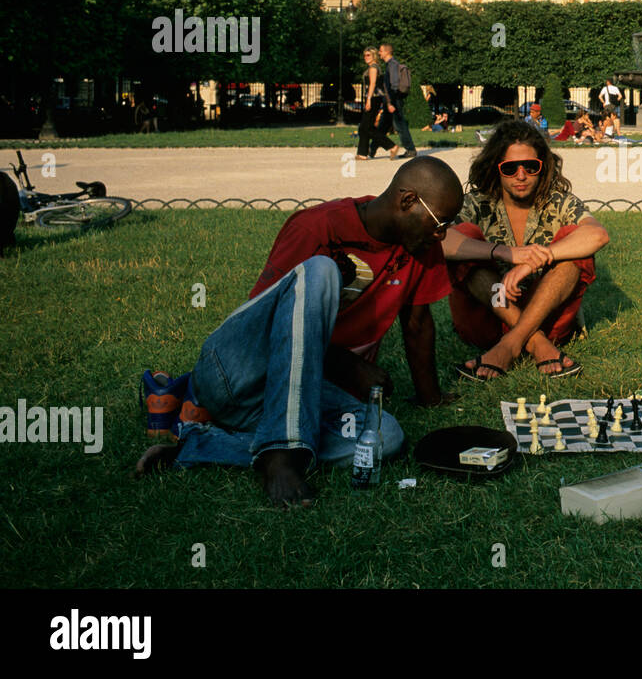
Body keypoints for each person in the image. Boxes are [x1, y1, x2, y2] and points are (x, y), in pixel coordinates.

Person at [136, 158, 512, 507]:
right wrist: (348, 367)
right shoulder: (318, 226)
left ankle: (200, 443)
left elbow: (417, 324)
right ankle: (278, 456)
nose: (442, 234)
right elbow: (267, 328)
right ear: (408, 200)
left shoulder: (421, 243)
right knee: (320, 272)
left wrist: (429, 397)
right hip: (238, 371)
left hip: (296, 399)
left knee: (386, 437)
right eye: (438, 222)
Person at [449, 120, 609, 380]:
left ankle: (509, 346)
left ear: (542, 168)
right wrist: (504, 253)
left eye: (531, 167)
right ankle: (534, 342)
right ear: (496, 168)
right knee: (464, 239)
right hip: (487, 320)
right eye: (510, 168)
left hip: (547, 316)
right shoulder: (477, 204)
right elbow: (441, 241)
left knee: (574, 243)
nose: (521, 175)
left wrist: (534, 261)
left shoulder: (557, 201)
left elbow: (597, 234)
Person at [379, 42, 417, 159]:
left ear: (387, 52)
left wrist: (391, 102)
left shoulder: (392, 64)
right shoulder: (390, 65)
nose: (379, 53)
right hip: (391, 100)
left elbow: (393, 85)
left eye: (381, 51)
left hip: (394, 100)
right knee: (383, 125)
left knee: (400, 125)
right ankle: (370, 149)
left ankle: (411, 150)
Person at [356, 47, 395, 160]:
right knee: (365, 127)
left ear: (374, 56)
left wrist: (368, 100)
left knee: (366, 127)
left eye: (368, 55)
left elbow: (372, 85)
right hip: (373, 98)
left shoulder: (373, 67)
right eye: (365, 55)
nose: (366, 57)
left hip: (373, 99)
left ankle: (391, 146)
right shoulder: (373, 67)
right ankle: (362, 153)